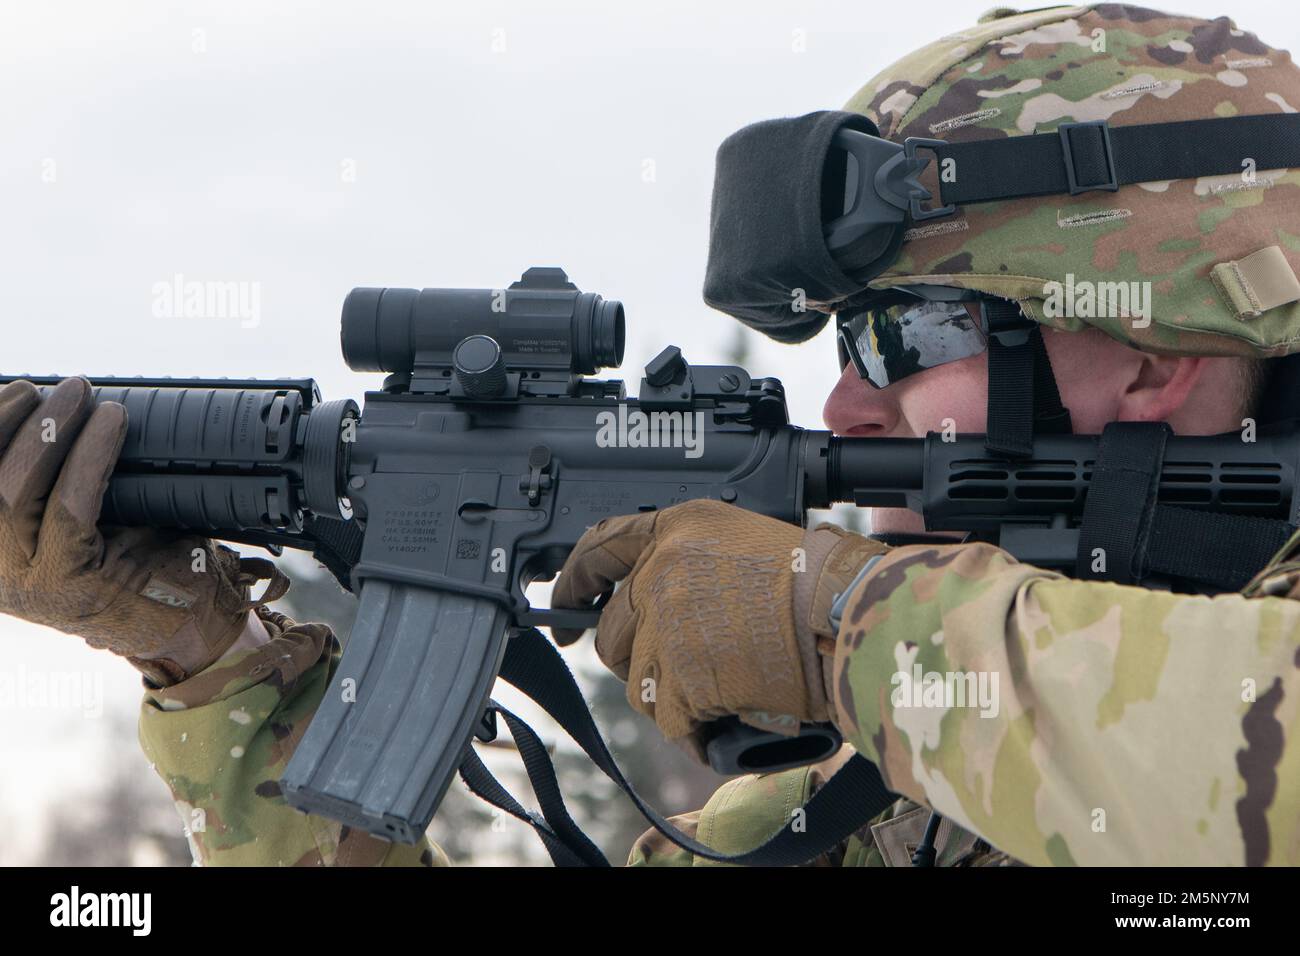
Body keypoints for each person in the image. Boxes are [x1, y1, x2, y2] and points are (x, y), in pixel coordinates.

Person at [3, 3, 1298, 866]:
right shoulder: (877, 812)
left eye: (900, 343)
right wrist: (217, 665)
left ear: (1150, 348)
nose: (847, 409)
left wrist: (847, 626)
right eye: (841, 353)